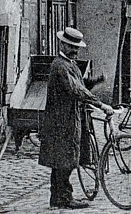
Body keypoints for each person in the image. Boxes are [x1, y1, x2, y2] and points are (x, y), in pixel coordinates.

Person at [39, 27, 114, 210]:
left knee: (63, 159)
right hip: (61, 120)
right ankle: (64, 198)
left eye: (77, 48)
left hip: (69, 118)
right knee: (65, 159)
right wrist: (101, 104)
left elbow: (80, 84)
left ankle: (57, 198)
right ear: (62, 44)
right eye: (71, 47)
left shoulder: (69, 64)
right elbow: (75, 90)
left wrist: (95, 81)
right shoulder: (60, 66)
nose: (75, 51)